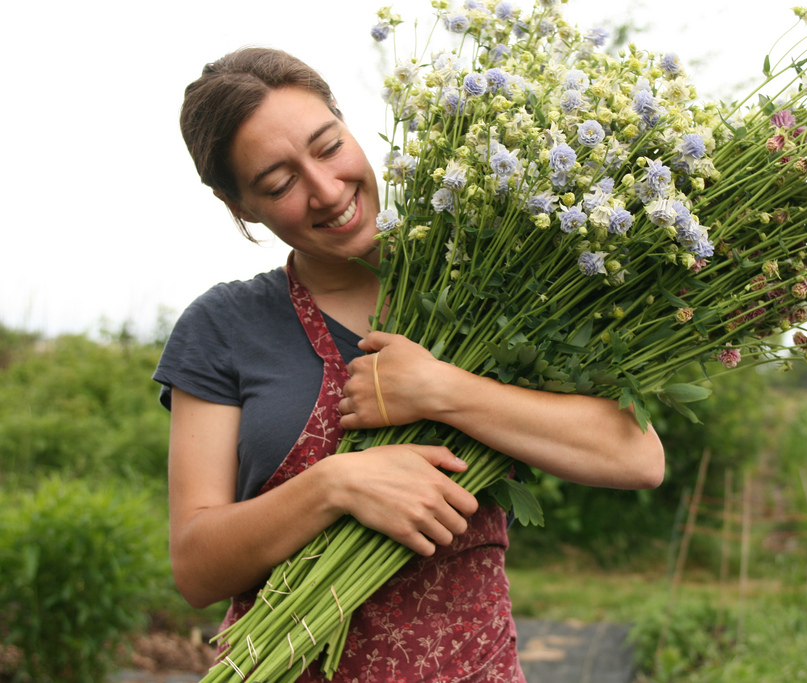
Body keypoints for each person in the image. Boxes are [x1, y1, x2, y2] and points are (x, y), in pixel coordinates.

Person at [154, 47, 665, 682]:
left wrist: (440, 389)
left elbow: (638, 457)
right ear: (239, 207)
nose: (326, 189)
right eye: (279, 183)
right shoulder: (224, 326)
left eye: (328, 146)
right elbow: (197, 567)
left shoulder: (479, 276)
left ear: (349, 125)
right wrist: (336, 484)